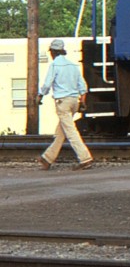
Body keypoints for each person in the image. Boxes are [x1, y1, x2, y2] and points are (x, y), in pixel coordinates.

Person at [36, 38, 93, 171]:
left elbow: (47, 84)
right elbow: (83, 86)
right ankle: (47, 159)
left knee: (70, 131)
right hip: (74, 101)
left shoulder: (55, 65)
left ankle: (85, 158)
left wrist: (39, 96)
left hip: (62, 102)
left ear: (53, 52)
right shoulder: (73, 66)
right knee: (61, 131)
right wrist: (82, 101)